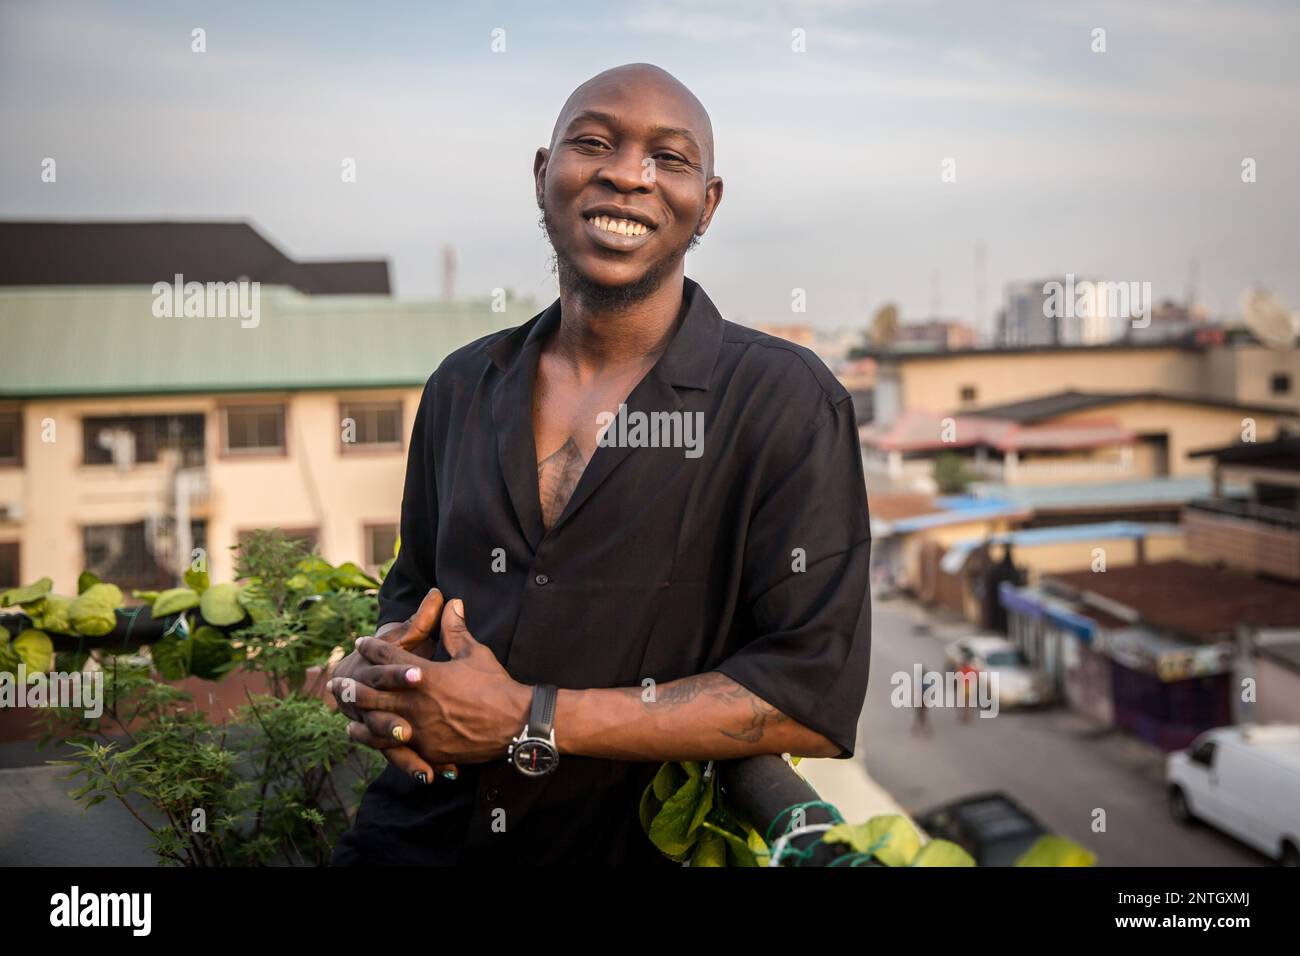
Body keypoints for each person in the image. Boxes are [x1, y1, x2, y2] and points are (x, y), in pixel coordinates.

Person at [327, 63, 872, 866]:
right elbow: (412, 599)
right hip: (409, 840)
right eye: (593, 143)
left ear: (707, 204)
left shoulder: (788, 404)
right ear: (544, 175)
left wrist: (528, 717)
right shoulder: (460, 386)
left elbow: (808, 696)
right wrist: (380, 684)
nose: (627, 173)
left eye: (670, 157)